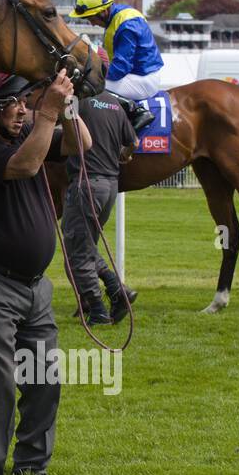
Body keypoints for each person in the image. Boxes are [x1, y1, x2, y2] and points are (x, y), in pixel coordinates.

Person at [0, 71, 91, 475]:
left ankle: (31, 464)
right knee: (0, 384)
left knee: (45, 380)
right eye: (13, 105)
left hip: (34, 287)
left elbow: (81, 143)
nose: (22, 111)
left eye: (25, 103)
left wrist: (65, 105)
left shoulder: (26, 133)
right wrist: (47, 111)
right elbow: (27, 165)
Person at [60, 83, 137, 325]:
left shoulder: (77, 101)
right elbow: (132, 143)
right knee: (85, 246)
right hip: (110, 186)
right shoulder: (114, 102)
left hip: (86, 185)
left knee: (77, 254)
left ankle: (99, 311)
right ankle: (116, 290)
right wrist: (122, 155)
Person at [69, 0, 162, 132]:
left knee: (90, 85)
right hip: (133, 75)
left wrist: (93, 75)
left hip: (143, 79)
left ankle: (137, 112)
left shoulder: (127, 26)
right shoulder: (115, 18)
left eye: (91, 18)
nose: (91, 23)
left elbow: (120, 68)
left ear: (104, 11)